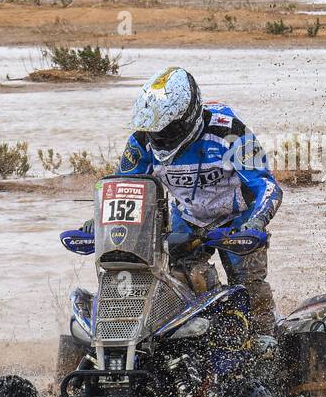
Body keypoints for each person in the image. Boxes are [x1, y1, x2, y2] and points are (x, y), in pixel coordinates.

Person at [113, 67, 282, 340]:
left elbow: (267, 185)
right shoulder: (142, 142)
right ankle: (185, 347)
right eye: (157, 130)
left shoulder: (229, 132)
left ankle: (267, 347)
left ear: (188, 116)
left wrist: (257, 222)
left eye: (169, 129)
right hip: (188, 219)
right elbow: (124, 188)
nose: (162, 136)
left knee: (250, 288)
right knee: (174, 285)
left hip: (239, 218)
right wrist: (99, 222)